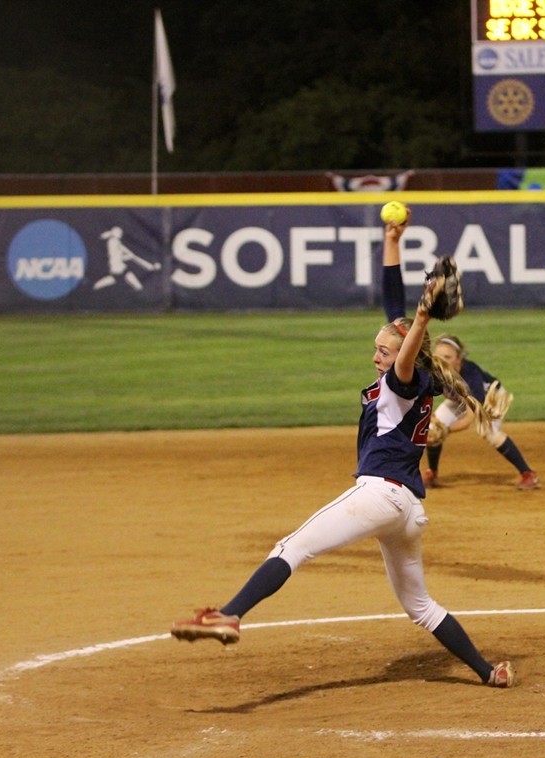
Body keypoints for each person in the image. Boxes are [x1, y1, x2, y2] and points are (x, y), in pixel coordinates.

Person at [170, 208, 515, 689]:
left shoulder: (403, 379)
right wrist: (391, 239)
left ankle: (229, 615)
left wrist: (419, 317)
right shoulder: (407, 374)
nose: (376, 355)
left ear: (405, 356)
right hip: (408, 510)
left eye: (383, 350)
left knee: (292, 548)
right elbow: (391, 300)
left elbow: (407, 338)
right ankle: (488, 671)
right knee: (420, 606)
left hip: (379, 495)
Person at [422, 334, 539, 491]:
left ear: (459, 358)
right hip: (461, 399)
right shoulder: (434, 371)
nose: (442, 360)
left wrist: (447, 429)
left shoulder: (470, 375)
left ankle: (528, 474)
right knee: (432, 428)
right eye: (438, 356)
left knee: (488, 431)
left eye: (448, 357)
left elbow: (471, 416)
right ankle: (432, 473)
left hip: (491, 397)